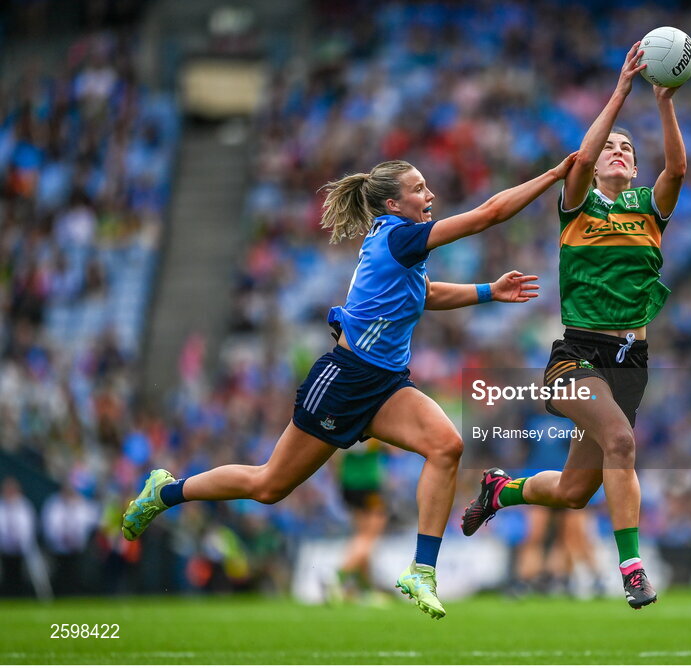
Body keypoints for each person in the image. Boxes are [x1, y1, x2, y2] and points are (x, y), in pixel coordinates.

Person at [121, 151, 577, 619]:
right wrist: (554, 174)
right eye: (419, 188)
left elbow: (426, 293)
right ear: (393, 205)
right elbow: (489, 214)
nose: (430, 194)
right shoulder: (401, 238)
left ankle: (421, 570)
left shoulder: (400, 244)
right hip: (344, 379)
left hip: (386, 384)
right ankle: (166, 491)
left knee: (447, 445)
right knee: (268, 486)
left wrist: (488, 291)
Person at [461, 41, 687, 609]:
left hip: (630, 362)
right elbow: (580, 161)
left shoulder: (648, 208)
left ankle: (500, 490)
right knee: (620, 440)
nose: (615, 151)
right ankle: (632, 568)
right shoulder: (579, 204)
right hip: (577, 356)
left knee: (570, 492)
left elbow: (678, 167)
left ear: (635, 167)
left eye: (625, 149)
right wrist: (621, 92)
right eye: (609, 144)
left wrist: (664, 103)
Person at [332, 439, 388, 604]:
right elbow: (393, 448)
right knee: (368, 538)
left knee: (360, 535)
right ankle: (337, 577)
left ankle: (366, 590)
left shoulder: (345, 419)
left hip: (348, 483)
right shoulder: (371, 419)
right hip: (369, 483)